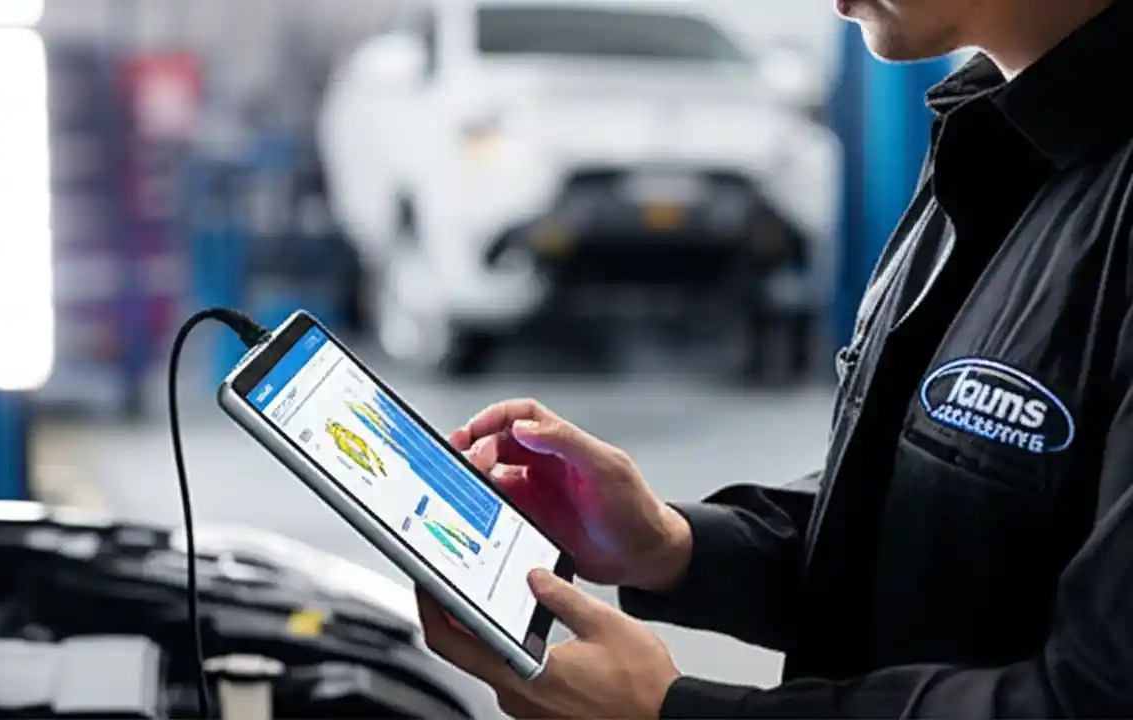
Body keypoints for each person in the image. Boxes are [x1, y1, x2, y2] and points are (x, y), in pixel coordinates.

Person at [415, 0, 1133, 716]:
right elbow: (935, 542)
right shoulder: (992, 135)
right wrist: (675, 545)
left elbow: (1093, 698)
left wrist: (673, 711)